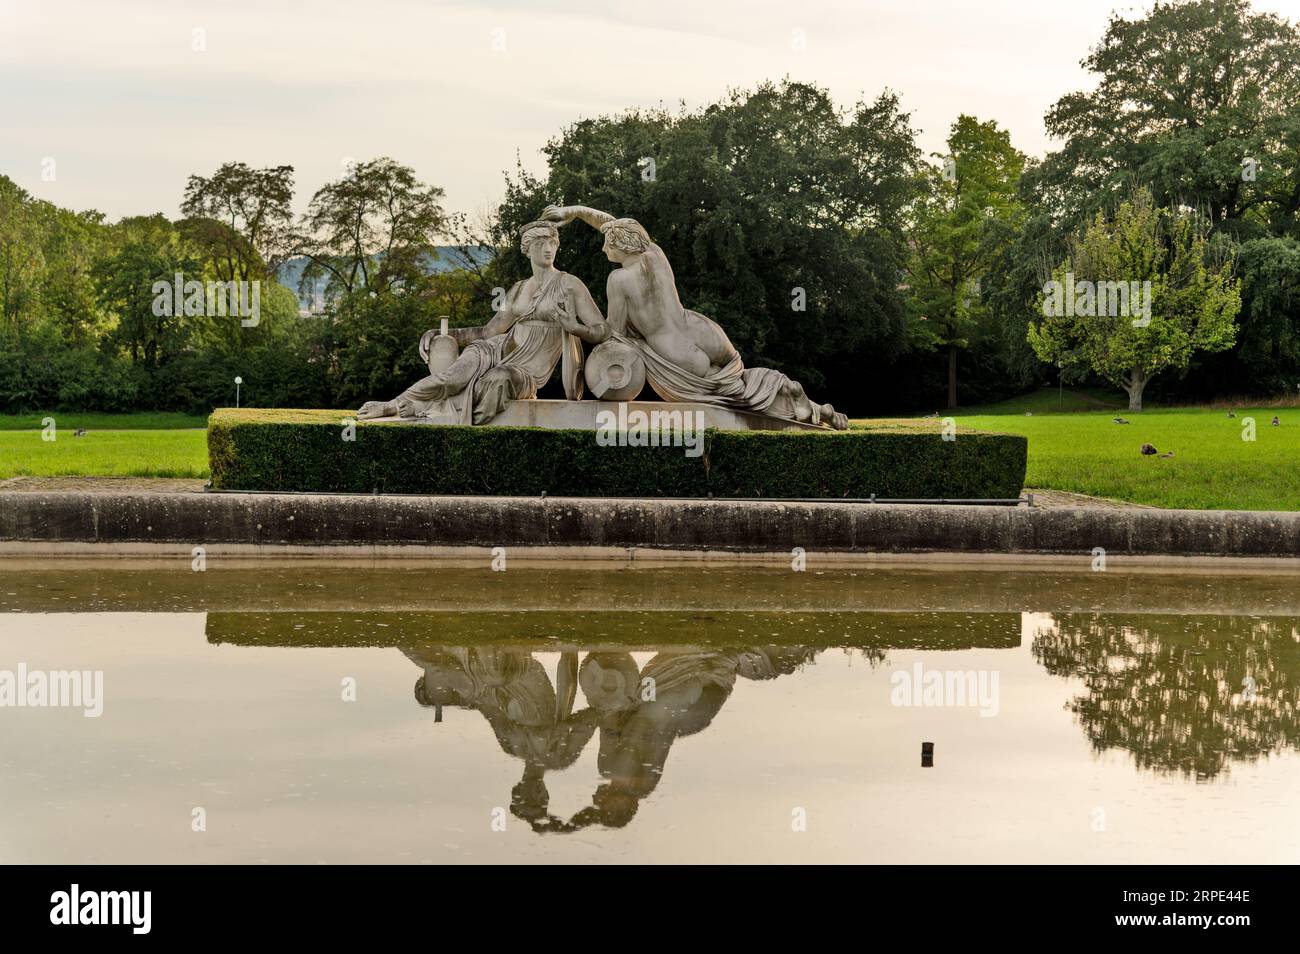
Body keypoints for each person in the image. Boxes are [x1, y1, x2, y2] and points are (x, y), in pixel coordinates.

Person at [541, 204, 849, 429]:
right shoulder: (654, 254)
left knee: (736, 397)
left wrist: (575, 326)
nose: (604, 247)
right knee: (739, 379)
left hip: (675, 353)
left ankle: (795, 397)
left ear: (620, 244)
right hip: (701, 329)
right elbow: (615, 224)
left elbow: (612, 333)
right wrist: (577, 211)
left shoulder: (618, 281)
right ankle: (807, 402)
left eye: (608, 243)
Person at [357, 220, 610, 424]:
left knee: (496, 380)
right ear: (528, 249)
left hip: (526, 372)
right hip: (495, 348)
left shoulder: (570, 284)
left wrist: (574, 327)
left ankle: (430, 410)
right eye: (541, 243)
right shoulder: (519, 289)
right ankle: (391, 405)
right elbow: (490, 330)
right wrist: (443, 332)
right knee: (453, 377)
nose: (548, 248)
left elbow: (602, 330)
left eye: (553, 243)